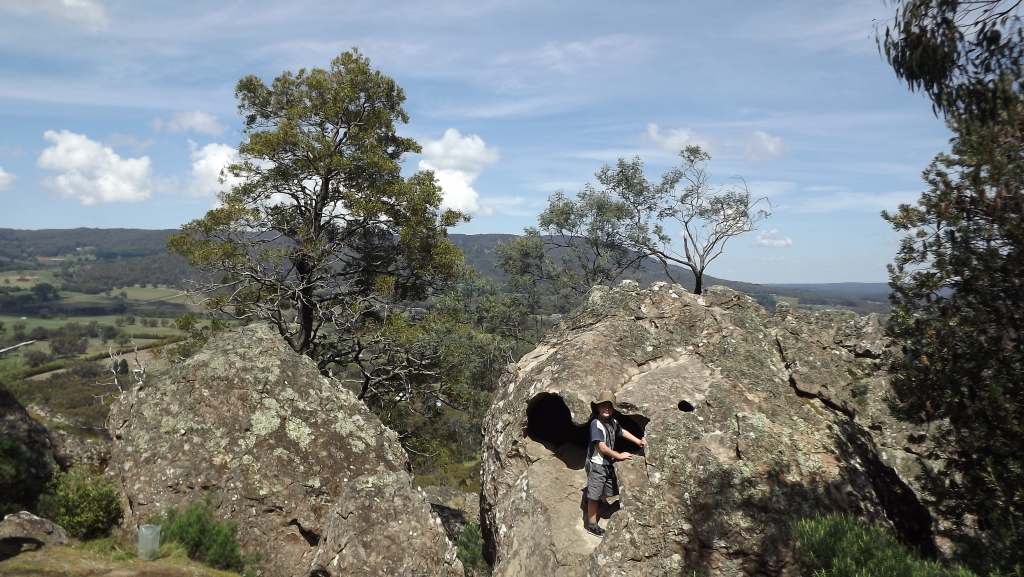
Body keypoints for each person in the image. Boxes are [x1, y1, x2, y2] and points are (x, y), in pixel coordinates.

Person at [584, 390, 646, 537]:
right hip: (597, 463)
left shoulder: (612, 422)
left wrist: (638, 441)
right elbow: (602, 447)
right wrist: (619, 455)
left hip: (607, 463)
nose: (606, 408)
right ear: (598, 408)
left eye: (609, 406)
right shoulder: (596, 423)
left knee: (612, 488)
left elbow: (622, 431)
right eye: (603, 405)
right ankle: (592, 524)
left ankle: (598, 498)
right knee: (594, 495)